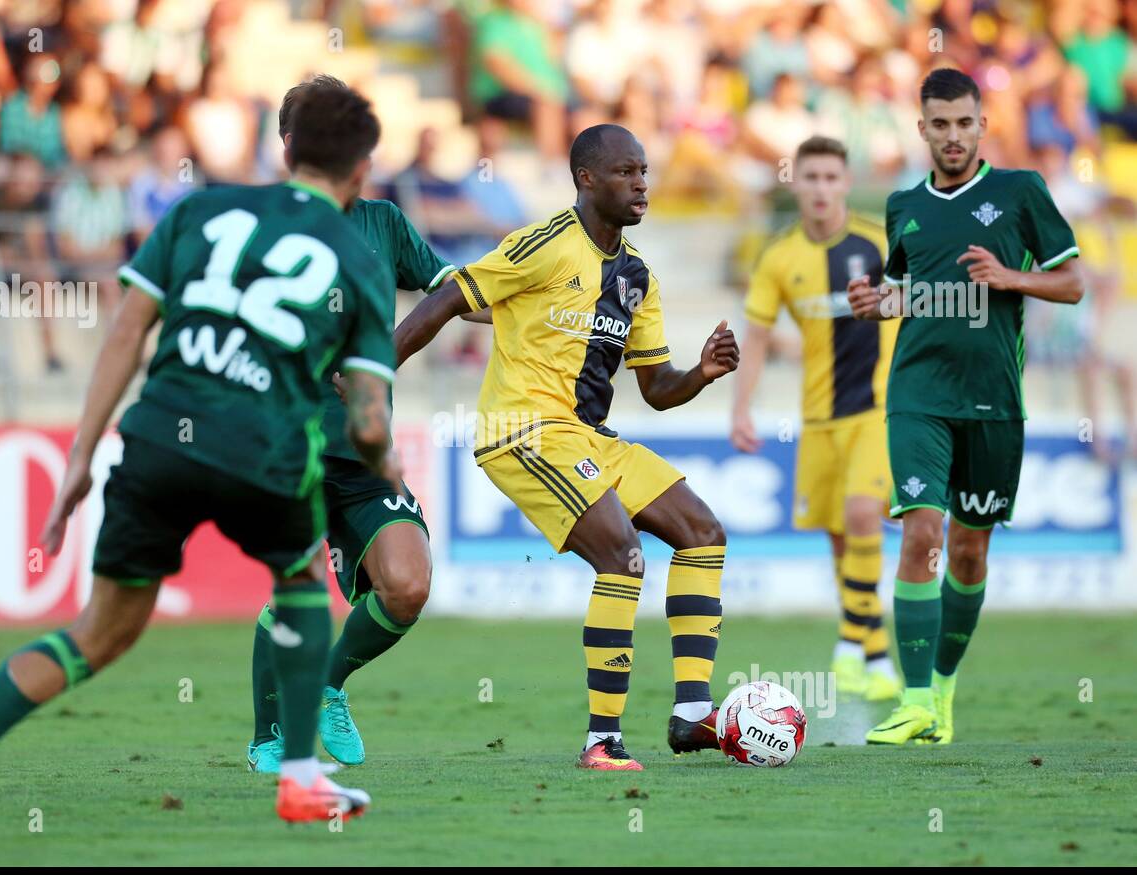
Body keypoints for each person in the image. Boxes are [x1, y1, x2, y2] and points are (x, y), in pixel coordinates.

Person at [0, 83, 400, 841]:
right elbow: (370, 416)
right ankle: (297, 776)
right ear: (360, 173)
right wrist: (382, 465)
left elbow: (125, 332)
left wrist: (81, 457)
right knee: (300, 582)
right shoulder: (358, 257)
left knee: (98, 633)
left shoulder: (198, 211)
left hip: (159, 437)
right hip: (264, 446)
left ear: (286, 153)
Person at [395, 124, 740, 770]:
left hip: (585, 437)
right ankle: (601, 741)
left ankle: (693, 714)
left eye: (644, 171)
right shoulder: (544, 244)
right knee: (623, 557)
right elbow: (447, 298)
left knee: (703, 531)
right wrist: (371, 373)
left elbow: (657, 388)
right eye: (625, 172)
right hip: (520, 430)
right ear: (586, 179)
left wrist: (701, 373)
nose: (641, 183)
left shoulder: (637, 276)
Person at [848, 69, 1083, 745]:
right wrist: (877, 304)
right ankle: (914, 697)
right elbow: (900, 292)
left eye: (965, 123)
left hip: (994, 402)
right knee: (923, 530)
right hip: (917, 392)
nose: (953, 136)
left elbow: (1072, 283)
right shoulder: (902, 205)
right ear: (921, 129)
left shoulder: (1021, 192)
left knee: (970, 555)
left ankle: (942, 695)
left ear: (983, 126)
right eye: (940, 124)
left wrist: (1010, 277)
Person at [245, 75, 458, 775]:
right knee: (293, 588)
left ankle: (329, 686)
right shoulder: (261, 228)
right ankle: (271, 739)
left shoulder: (384, 223)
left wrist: (531, 288)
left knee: (408, 584)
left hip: (366, 453)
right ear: (289, 145)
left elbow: (453, 291)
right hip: (288, 442)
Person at [731, 135, 902, 702]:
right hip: (819, 418)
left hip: (878, 411)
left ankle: (848, 647)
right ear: (796, 184)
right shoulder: (779, 257)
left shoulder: (880, 243)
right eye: (812, 178)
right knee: (839, 542)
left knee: (861, 515)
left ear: (846, 184)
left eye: (832, 178)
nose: (822, 189)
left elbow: (926, 300)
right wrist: (740, 407)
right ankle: (877, 659)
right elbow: (754, 337)